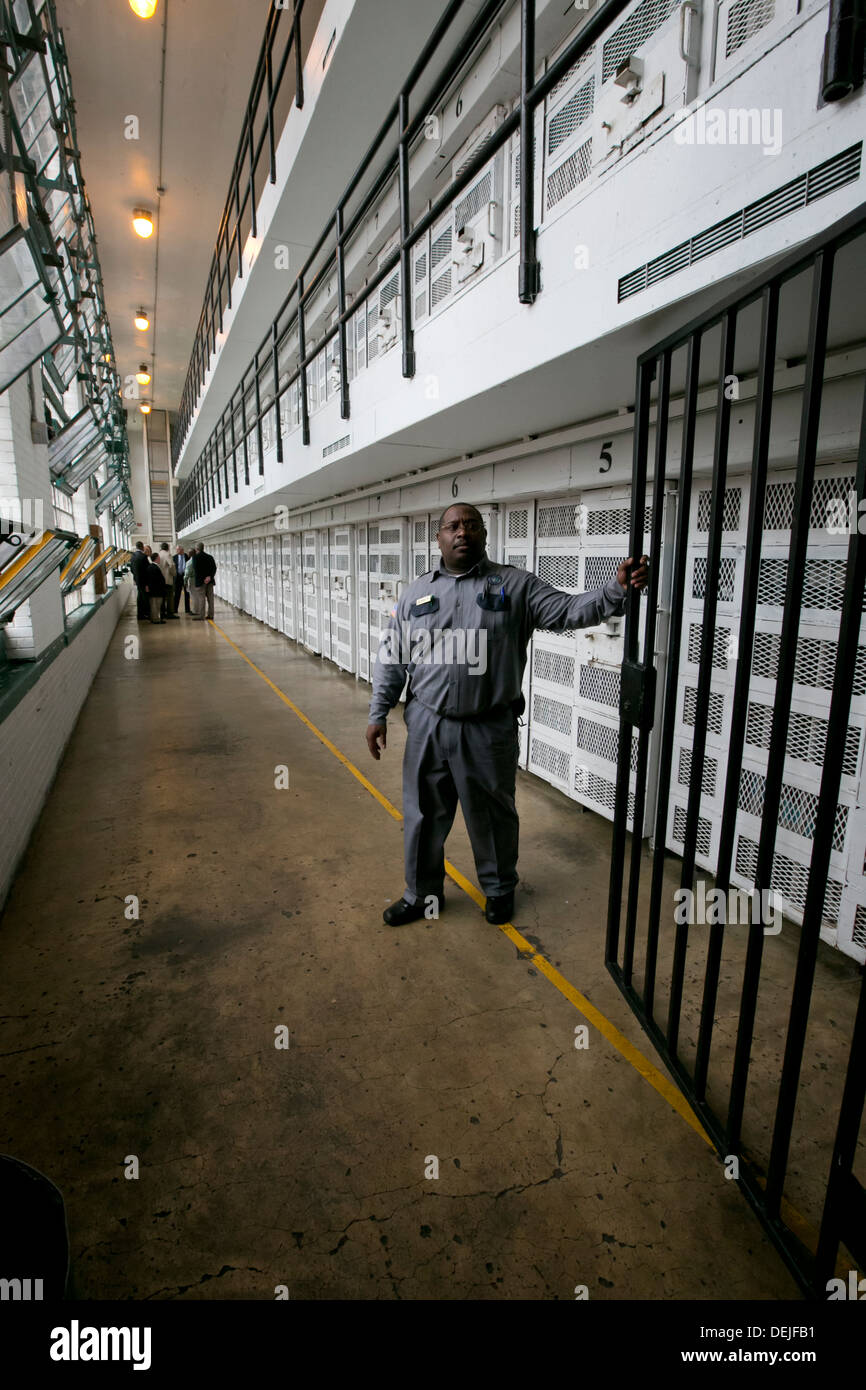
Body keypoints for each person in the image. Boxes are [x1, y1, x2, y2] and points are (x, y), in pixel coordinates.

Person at [365, 503, 649, 927]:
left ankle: (498, 890)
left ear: (483, 535)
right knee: (423, 814)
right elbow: (392, 656)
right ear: (438, 538)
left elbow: (569, 610)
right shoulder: (414, 593)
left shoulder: (515, 586)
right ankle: (421, 894)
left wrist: (616, 590)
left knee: (493, 816)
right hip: (427, 724)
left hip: (487, 728)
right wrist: (378, 711)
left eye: (471, 525)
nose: (462, 532)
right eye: (453, 526)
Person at [193, 541, 217, 620]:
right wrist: (209, 577)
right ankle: (211, 615)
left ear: (196, 549)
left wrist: (203, 578)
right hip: (209, 581)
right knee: (210, 599)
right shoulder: (210, 557)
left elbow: (196, 569)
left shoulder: (195, 557)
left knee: (201, 599)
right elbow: (214, 568)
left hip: (200, 582)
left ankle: (201, 616)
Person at [145, 552, 167, 624]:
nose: (160, 559)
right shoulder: (153, 567)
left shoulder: (152, 567)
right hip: (156, 590)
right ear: (156, 558)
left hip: (155, 590)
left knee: (155, 605)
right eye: (159, 557)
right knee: (155, 605)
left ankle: (156, 618)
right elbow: (154, 580)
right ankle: (155, 619)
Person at [129, 540, 150, 620]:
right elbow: (147, 570)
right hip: (144, 580)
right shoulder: (143, 556)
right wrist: (147, 583)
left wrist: (136, 576)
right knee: (145, 598)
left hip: (137, 580)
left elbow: (131, 569)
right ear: (142, 547)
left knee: (140, 597)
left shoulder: (133, 556)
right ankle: (146, 614)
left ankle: (140, 614)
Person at [157, 543, 178, 619]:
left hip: (160, 580)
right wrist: (174, 573)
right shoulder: (168, 554)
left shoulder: (158, 554)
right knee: (170, 597)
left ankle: (162, 613)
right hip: (167, 579)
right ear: (167, 548)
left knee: (162, 597)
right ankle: (170, 613)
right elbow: (171, 565)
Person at [173, 545, 190, 614]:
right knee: (177, 594)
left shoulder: (187, 556)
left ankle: (187, 609)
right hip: (178, 578)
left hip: (185, 577)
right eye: (176, 550)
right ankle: (175, 609)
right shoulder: (174, 557)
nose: (177, 551)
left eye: (178, 550)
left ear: (182, 550)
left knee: (187, 594)